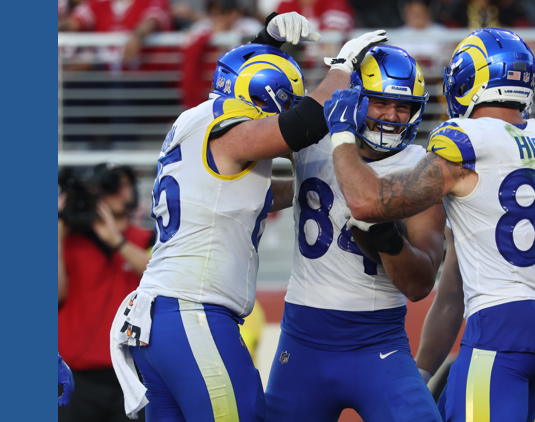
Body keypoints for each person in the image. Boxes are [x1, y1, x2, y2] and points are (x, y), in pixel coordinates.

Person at [109, 12, 389, 421]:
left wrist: (267, 41)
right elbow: (304, 123)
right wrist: (342, 67)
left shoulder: (198, 125)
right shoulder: (226, 125)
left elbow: (250, 196)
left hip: (161, 318)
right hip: (194, 314)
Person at [325, 28, 535, 421]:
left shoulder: (466, 141)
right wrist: (422, 371)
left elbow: (366, 202)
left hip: (502, 329)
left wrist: (341, 135)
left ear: (468, 82)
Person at [264, 45, 444, 422]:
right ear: (354, 98)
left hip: (377, 341)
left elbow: (419, 285)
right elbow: (247, 130)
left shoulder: (419, 167)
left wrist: (386, 237)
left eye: (403, 106)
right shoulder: (312, 139)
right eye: (381, 102)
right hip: (303, 340)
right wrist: (264, 47)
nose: (392, 116)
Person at [58, 163, 154, 422]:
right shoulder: (69, 242)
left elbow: (162, 277)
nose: (120, 192)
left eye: (124, 185)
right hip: (76, 378)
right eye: (111, 186)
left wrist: (117, 241)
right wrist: (58, 230)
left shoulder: (146, 239)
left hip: (132, 376)